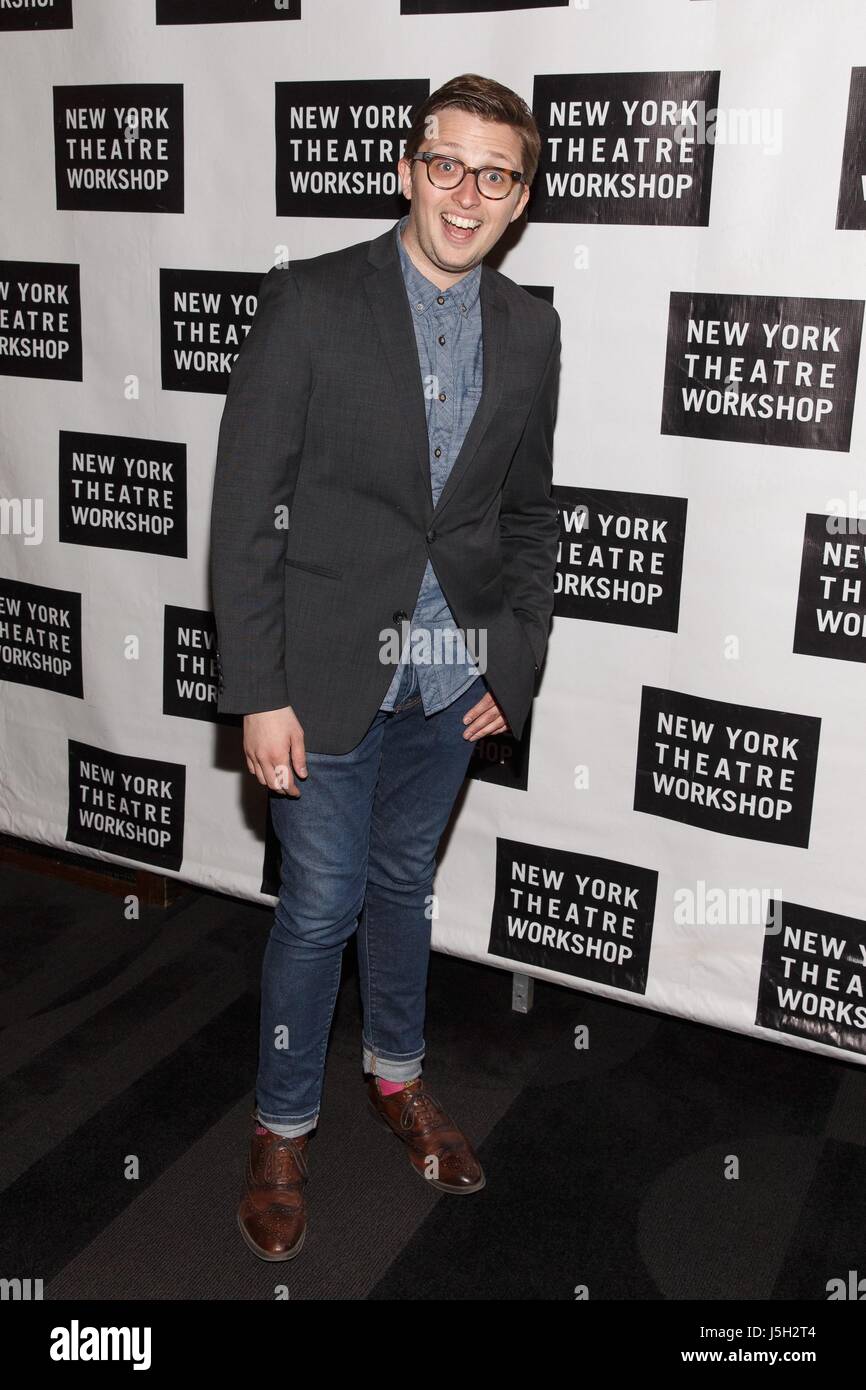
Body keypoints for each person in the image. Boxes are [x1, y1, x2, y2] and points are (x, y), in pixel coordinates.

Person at [209, 72, 562, 1262]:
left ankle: (398, 1081)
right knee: (317, 908)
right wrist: (257, 687)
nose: (467, 193)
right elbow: (244, 509)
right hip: (318, 680)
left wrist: (508, 667)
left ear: (518, 200)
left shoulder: (532, 330)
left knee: (404, 887)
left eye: (495, 174)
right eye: (447, 164)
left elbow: (526, 520)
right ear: (408, 169)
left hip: (446, 677)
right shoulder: (308, 302)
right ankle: (282, 1126)